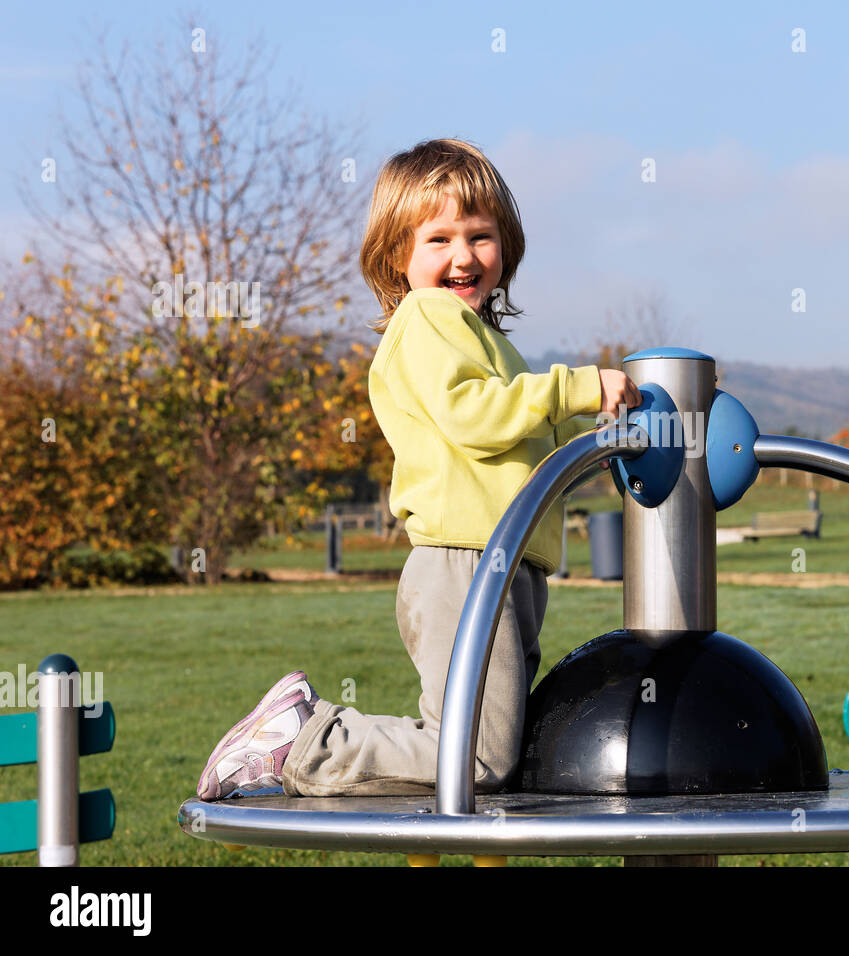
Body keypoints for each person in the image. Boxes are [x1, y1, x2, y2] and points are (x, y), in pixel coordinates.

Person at [197, 138, 641, 799]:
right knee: (476, 759)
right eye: (438, 238)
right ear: (397, 257)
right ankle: (305, 740)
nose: (463, 255)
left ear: (505, 246)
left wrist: (604, 429)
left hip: (504, 564)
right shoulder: (428, 318)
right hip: (466, 560)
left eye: (481, 235)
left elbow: (525, 433)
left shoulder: (486, 341)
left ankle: (311, 737)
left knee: (484, 748)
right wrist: (577, 388)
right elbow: (476, 417)